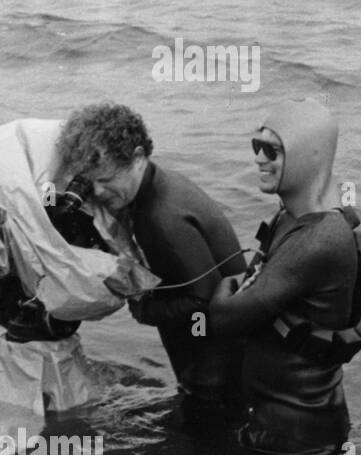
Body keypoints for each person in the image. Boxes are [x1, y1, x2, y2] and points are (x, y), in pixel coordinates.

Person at [207, 99, 361, 455]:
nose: (259, 158)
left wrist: (226, 285)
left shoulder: (319, 238)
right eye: (257, 145)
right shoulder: (291, 217)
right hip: (281, 426)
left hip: (296, 442)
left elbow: (223, 318)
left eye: (274, 150)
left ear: (308, 156)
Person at [55, 103, 246, 411]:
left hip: (218, 376)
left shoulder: (159, 218)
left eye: (106, 179)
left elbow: (204, 301)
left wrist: (145, 309)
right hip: (231, 359)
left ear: (138, 156)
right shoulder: (164, 186)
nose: (99, 192)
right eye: (90, 183)